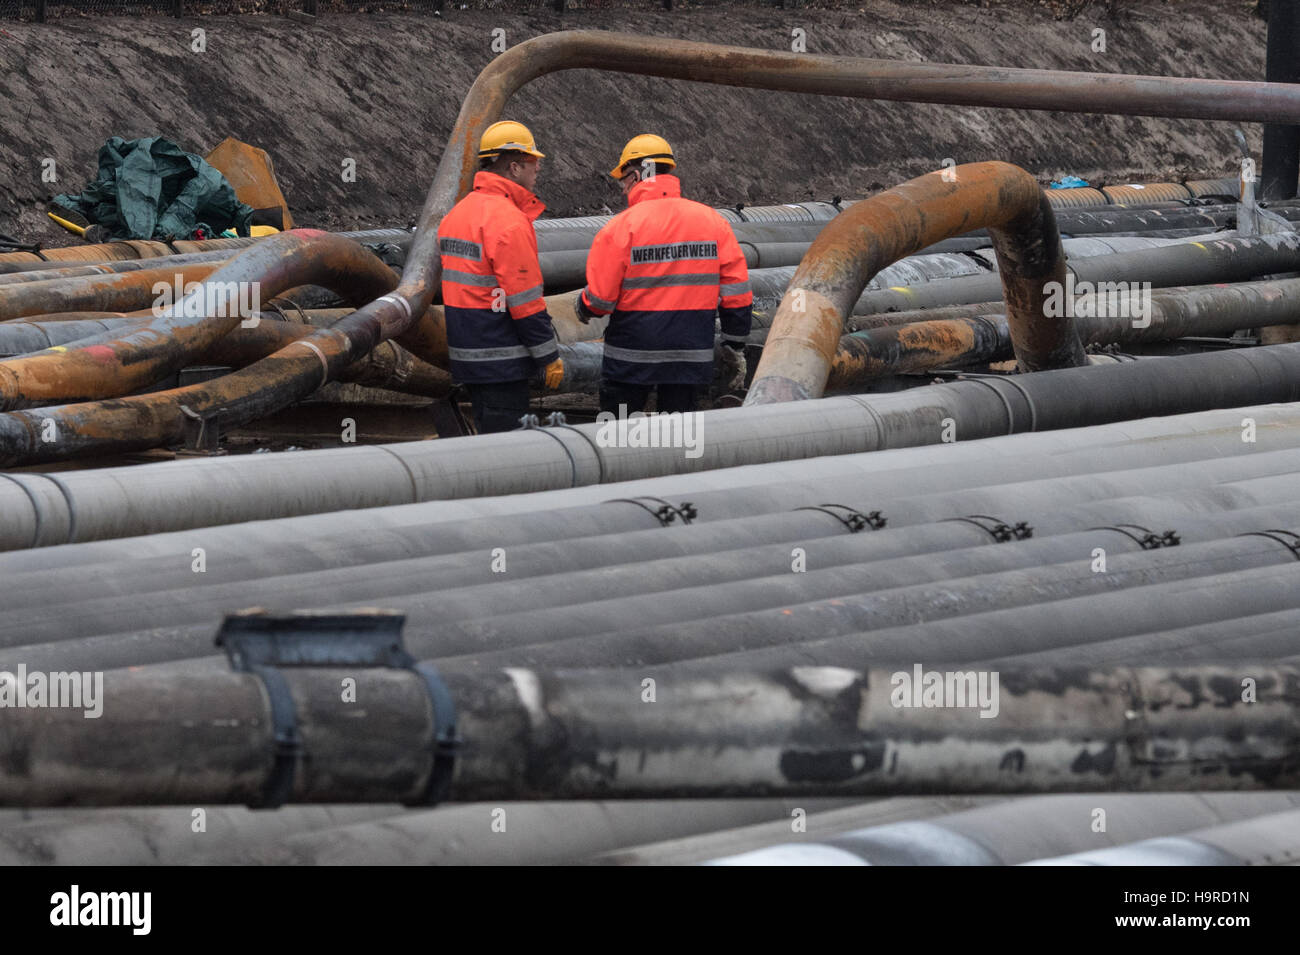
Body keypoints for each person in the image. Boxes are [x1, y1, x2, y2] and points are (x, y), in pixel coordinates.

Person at [576, 134, 752, 415]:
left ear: (636, 175)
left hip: (630, 359)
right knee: (678, 436)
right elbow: (737, 293)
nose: (623, 189)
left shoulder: (620, 228)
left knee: (620, 434)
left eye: (624, 181)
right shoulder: (713, 222)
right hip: (689, 357)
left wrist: (582, 306)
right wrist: (735, 344)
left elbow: (600, 300)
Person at [438, 120, 564, 434]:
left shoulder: (457, 214)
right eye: (533, 161)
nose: (538, 168)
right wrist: (548, 355)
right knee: (510, 449)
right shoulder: (508, 221)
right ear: (514, 167)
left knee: (488, 443)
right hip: (503, 360)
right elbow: (524, 300)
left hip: (467, 355)